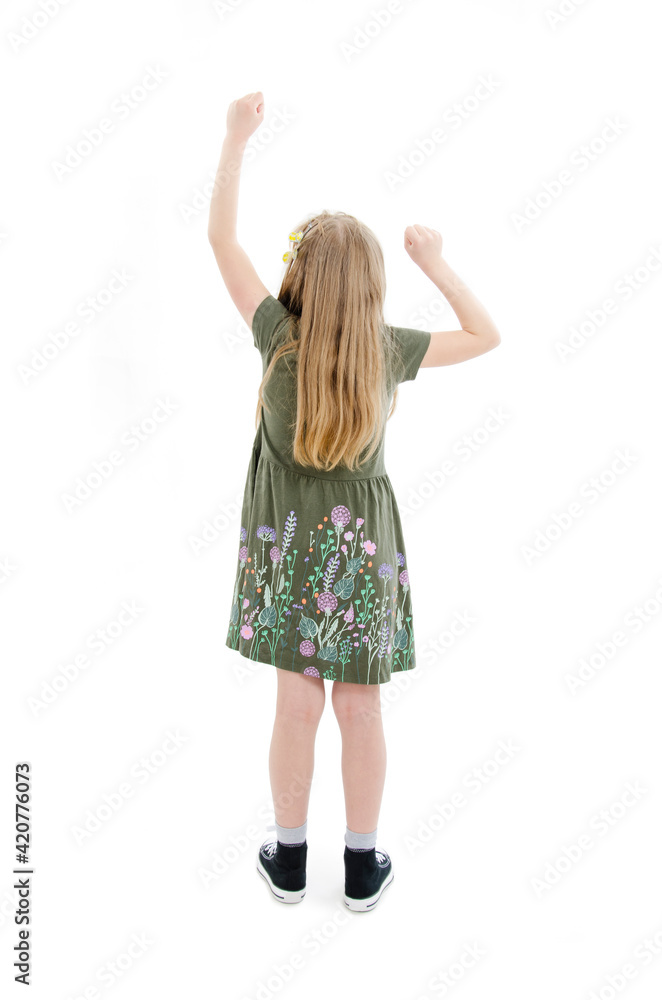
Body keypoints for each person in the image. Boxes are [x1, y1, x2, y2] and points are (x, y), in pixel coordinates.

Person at [208, 92, 501, 912]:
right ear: (369, 286)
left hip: (288, 542)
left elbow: (221, 239)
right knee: (362, 705)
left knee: (296, 701)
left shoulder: (278, 337)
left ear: (299, 275)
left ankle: (291, 859)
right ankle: (363, 863)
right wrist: (435, 263)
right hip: (361, 548)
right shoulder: (388, 350)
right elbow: (485, 337)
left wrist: (234, 140)